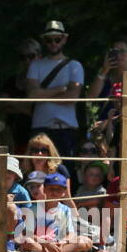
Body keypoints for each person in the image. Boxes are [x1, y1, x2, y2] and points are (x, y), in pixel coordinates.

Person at [24, 20, 83, 158]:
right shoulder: (35, 65)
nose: (53, 43)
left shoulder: (75, 66)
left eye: (57, 39)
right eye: (49, 40)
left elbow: (72, 98)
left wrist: (42, 95)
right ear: (44, 41)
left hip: (66, 129)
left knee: (66, 172)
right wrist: (60, 89)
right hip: (40, 128)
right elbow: (32, 95)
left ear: (64, 40)